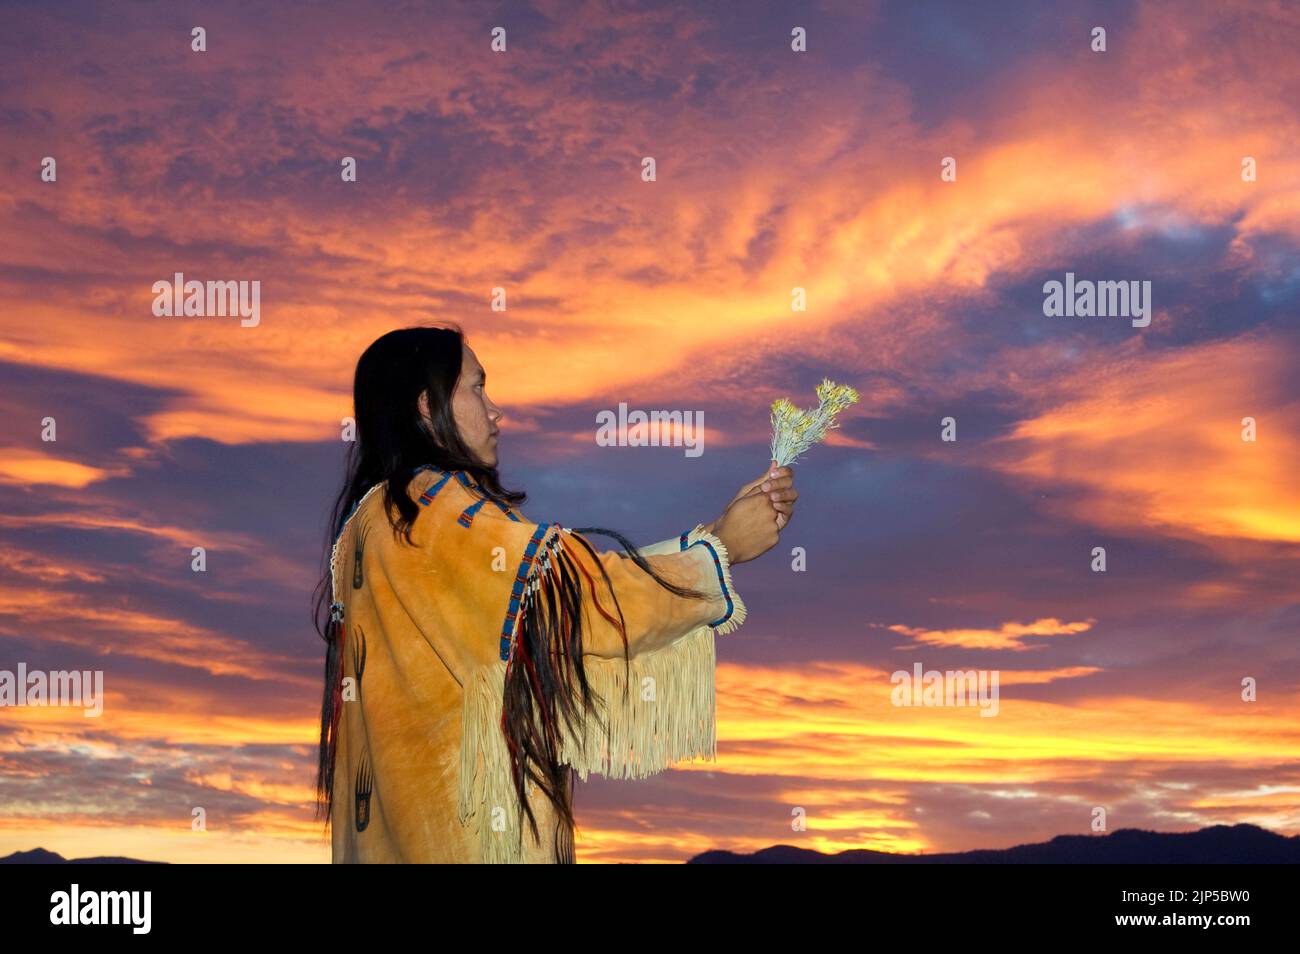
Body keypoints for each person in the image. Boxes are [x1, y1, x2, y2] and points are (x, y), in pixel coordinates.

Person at [313, 324, 797, 862]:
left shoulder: (370, 527)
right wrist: (720, 549)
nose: (496, 411)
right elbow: (578, 601)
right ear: (427, 405)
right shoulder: (432, 510)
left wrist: (714, 535)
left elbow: (549, 596)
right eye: (476, 388)